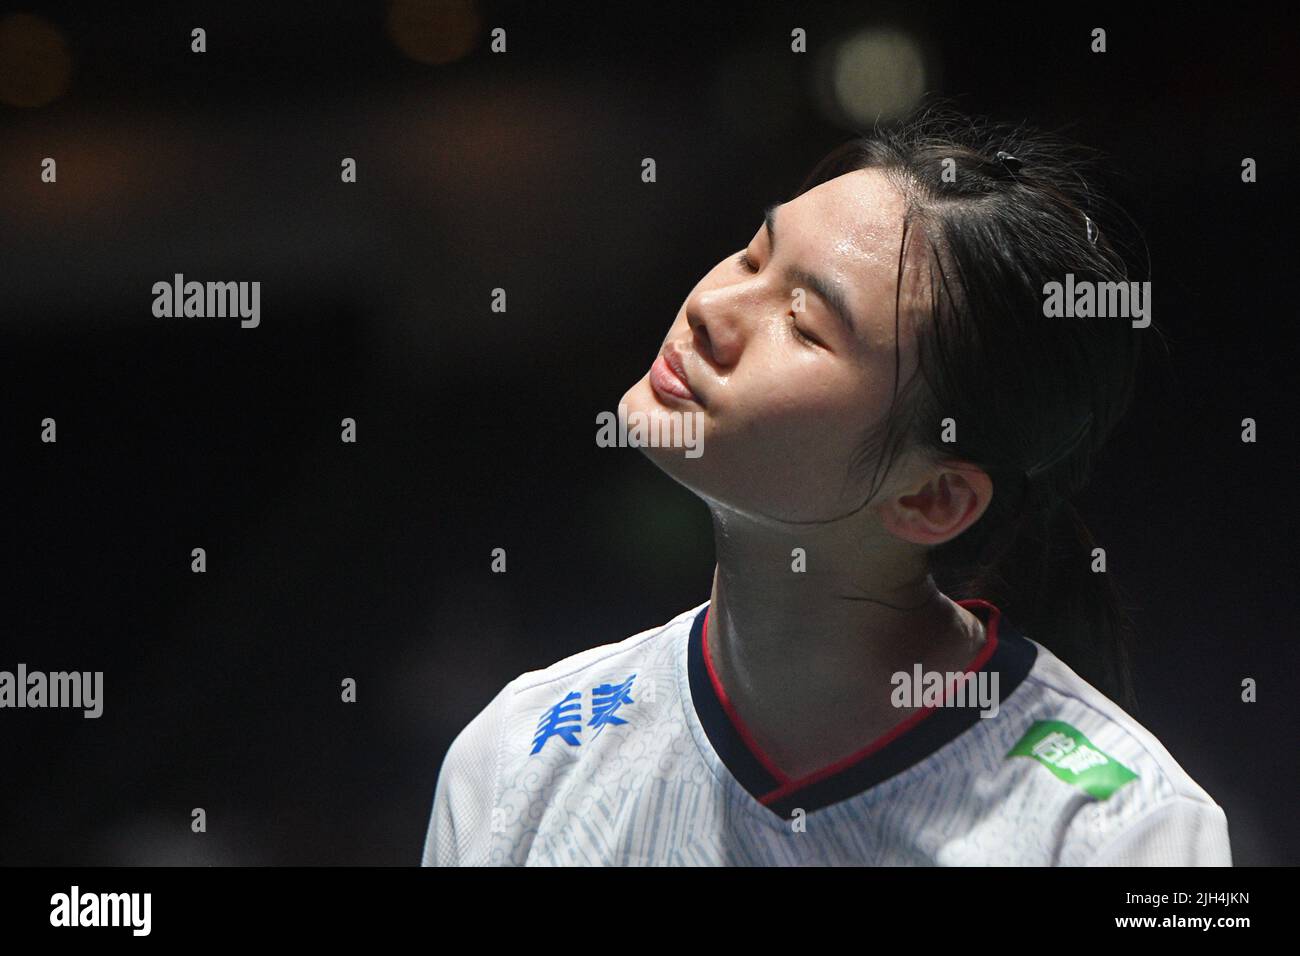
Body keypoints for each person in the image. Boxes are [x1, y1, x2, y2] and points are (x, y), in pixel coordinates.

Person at [421, 103, 1231, 866]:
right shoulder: (520, 755)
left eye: (805, 323)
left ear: (932, 498)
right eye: (753, 254)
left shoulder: (1120, 827)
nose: (715, 308)